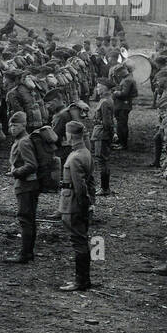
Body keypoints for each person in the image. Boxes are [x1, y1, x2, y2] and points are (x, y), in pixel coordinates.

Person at [58, 119, 95, 292]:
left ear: (70, 135)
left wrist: (83, 206)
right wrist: (90, 205)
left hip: (72, 204)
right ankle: (83, 280)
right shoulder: (86, 152)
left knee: (78, 242)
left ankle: (81, 281)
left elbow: (80, 187)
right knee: (81, 240)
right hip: (77, 203)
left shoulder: (75, 157)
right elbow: (90, 183)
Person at [4, 111, 39, 263]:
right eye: (11, 125)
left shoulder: (24, 141)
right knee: (28, 219)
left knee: (25, 219)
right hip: (28, 184)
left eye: (15, 125)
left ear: (23, 125)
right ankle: (28, 253)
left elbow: (31, 165)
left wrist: (16, 173)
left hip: (27, 185)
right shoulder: (21, 139)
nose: (12, 128)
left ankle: (25, 255)